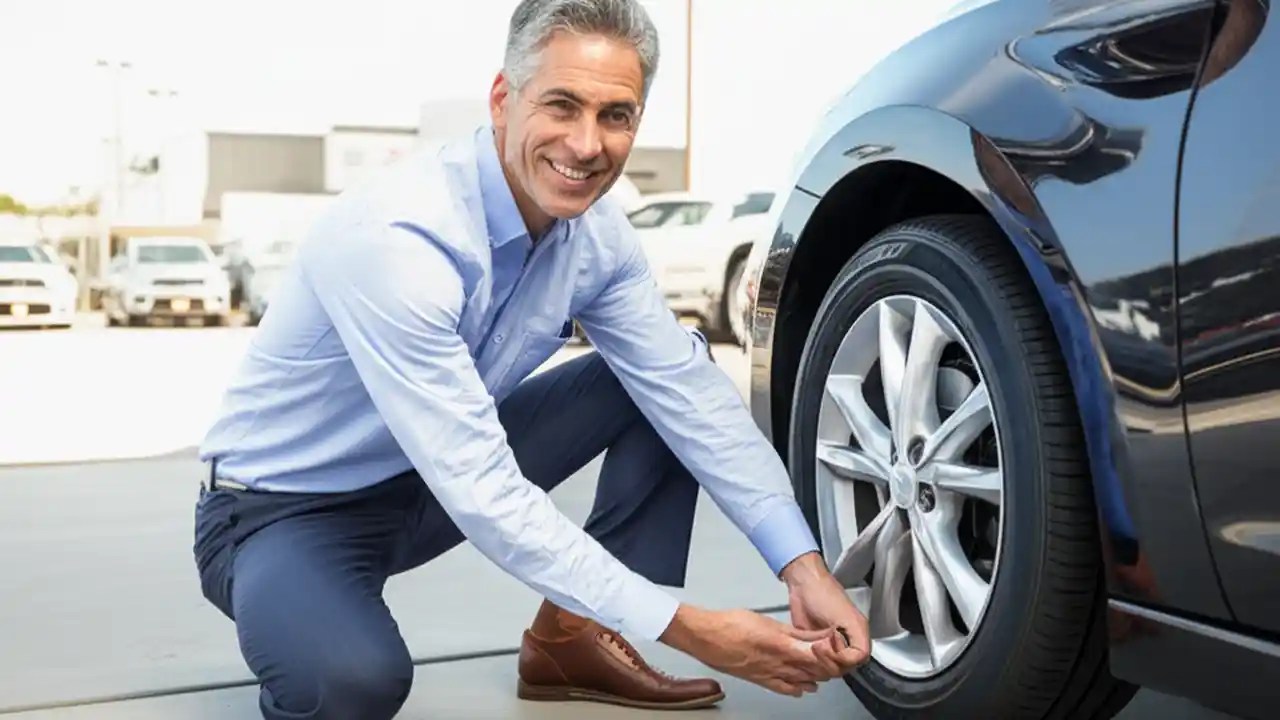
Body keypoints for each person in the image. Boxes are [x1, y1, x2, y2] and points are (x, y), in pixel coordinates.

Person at [193, 1, 871, 718]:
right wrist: (690, 630)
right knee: (351, 682)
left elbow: (687, 394)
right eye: (562, 105)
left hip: (425, 482)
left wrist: (803, 565)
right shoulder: (396, 240)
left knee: (671, 376)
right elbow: (485, 494)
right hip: (281, 509)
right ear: (502, 99)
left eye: (617, 115)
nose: (586, 144)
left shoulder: (597, 236)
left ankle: (575, 636)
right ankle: (306, 609)